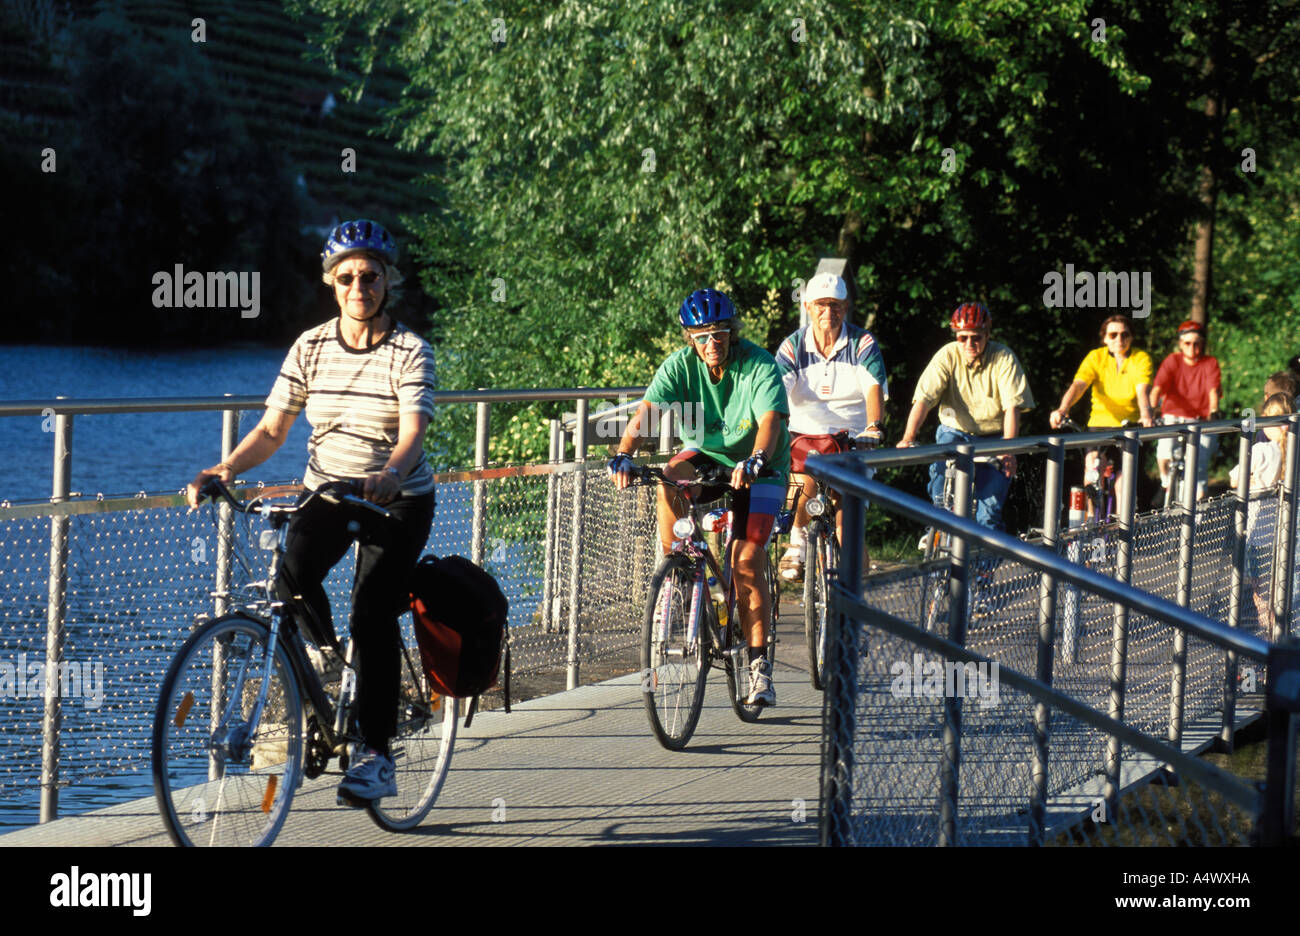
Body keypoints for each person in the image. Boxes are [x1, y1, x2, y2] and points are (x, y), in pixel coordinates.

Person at [185, 219, 436, 805]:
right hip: (326, 492)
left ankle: (376, 755)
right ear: (331, 283)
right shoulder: (311, 346)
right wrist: (224, 471)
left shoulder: (410, 351)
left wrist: (391, 473)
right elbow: (274, 429)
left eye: (369, 276)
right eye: (346, 277)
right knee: (290, 579)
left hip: (396, 499)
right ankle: (339, 665)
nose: (358, 287)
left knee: (372, 611)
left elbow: (414, 432)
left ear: (387, 281)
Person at [608, 289, 791, 706]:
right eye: (703, 334)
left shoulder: (758, 364)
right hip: (709, 456)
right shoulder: (679, 366)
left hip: (760, 465)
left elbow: (769, 422)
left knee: (745, 561)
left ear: (732, 332)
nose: (713, 342)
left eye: (721, 332)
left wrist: (759, 457)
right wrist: (622, 455)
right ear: (689, 336)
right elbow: (647, 414)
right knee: (670, 475)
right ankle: (677, 570)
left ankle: (760, 670)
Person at [774, 271, 888, 582]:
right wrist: (774, 429)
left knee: (848, 525)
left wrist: (873, 427)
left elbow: (873, 389)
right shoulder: (792, 347)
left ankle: (855, 604)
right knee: (803, 477)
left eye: (836, 306)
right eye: (821, 305)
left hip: (851, 439)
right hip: (804, 437)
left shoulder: (862, 343)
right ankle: (796, 540)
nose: (828, 313)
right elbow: (777, 395)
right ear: (808, 306)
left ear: (846, 307)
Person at [898, 302, 1033, 531]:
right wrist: (908, 437)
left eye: (976, 337)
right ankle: (937, 532)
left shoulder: (1003, 357)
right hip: (955, 431)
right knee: (942, 484)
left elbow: (1013, 407)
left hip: (994, 437)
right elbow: (924, 398)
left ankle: (984, 564)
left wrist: (1009, 449)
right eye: (963, 338)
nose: (969, 344)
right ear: (956, 337)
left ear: (987, 335)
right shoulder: (947, 355)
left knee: (988, 514)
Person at [1049, 314, 1155, 516]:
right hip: (1100, 425)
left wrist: (1146, 415)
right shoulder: (1095, 357)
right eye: (1113, 335)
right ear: (1104, 338)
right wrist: (1063, 409)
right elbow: (1079, 385)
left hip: (1130, 426)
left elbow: (1143, 391)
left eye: (1125, 335)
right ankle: (1089, 523)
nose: (1119, 339)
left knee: (1124, 483)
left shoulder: (1141, 358)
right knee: (1091, 473)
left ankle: (1123, 530)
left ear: (1131, 337)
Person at [1229, 392, 1292, 638]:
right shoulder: (1290, 450)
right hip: (1280, 532)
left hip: (1256, 531)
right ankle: (1280, 631)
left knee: (1259, 591)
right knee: (1279, 585)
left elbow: (1235, 479)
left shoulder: (1262, 450)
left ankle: (1267, 635)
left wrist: (1251, 479)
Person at [1149, 320, 1221, 501]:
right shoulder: (1173, 360)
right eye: (1187, 343)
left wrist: (1213, 411)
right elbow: (1157, 388)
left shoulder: (1210, 363)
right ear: (1181, 344)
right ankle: (1166, 482)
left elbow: (1213, 391)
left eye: (1197, 343)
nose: (1192, 347)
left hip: (1200, 420)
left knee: (1199, 468)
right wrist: (1152, 409)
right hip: (1173, 417)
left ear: (1202, 344)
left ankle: (1198, 514)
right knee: (1164, 454)